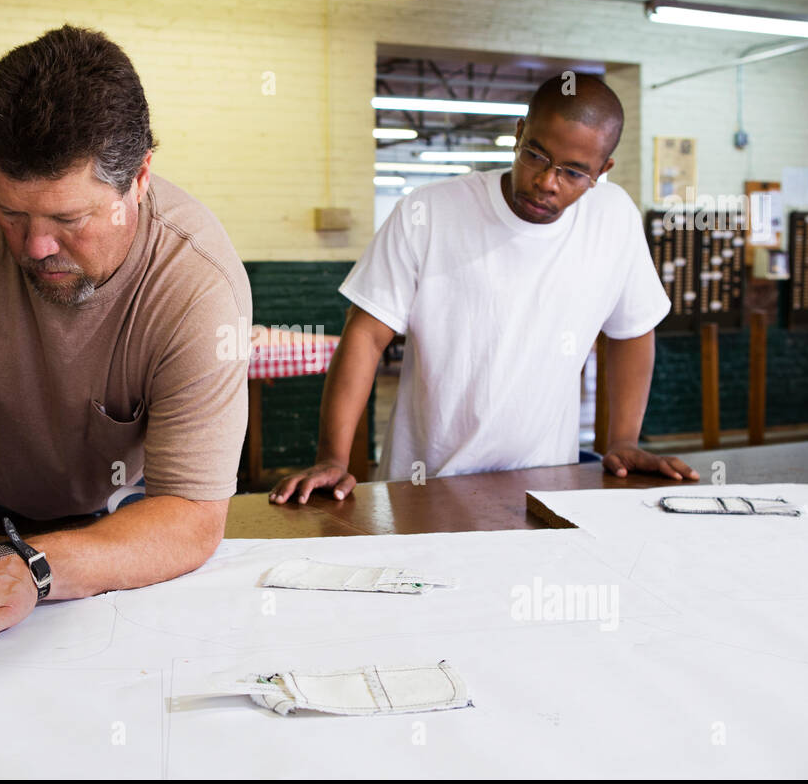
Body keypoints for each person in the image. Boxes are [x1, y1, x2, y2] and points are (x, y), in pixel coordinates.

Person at [0, 25, 252, 657]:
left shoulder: (198, 286)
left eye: (69, 219)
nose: (35, 247)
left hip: (121, 511)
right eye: (11, 213)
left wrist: (36, 566)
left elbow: (190, 518)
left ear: (138, 179)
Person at [271, 73, 697, 505]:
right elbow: (365, 334)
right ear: (518, 134)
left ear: (601, 171)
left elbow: (634, 330)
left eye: (572, 172)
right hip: (425, 487)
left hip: (546, 487)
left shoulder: (614, 219)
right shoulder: (429, 211)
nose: (547, 181)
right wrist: (332, 457)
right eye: (536, 155)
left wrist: (623, 439)